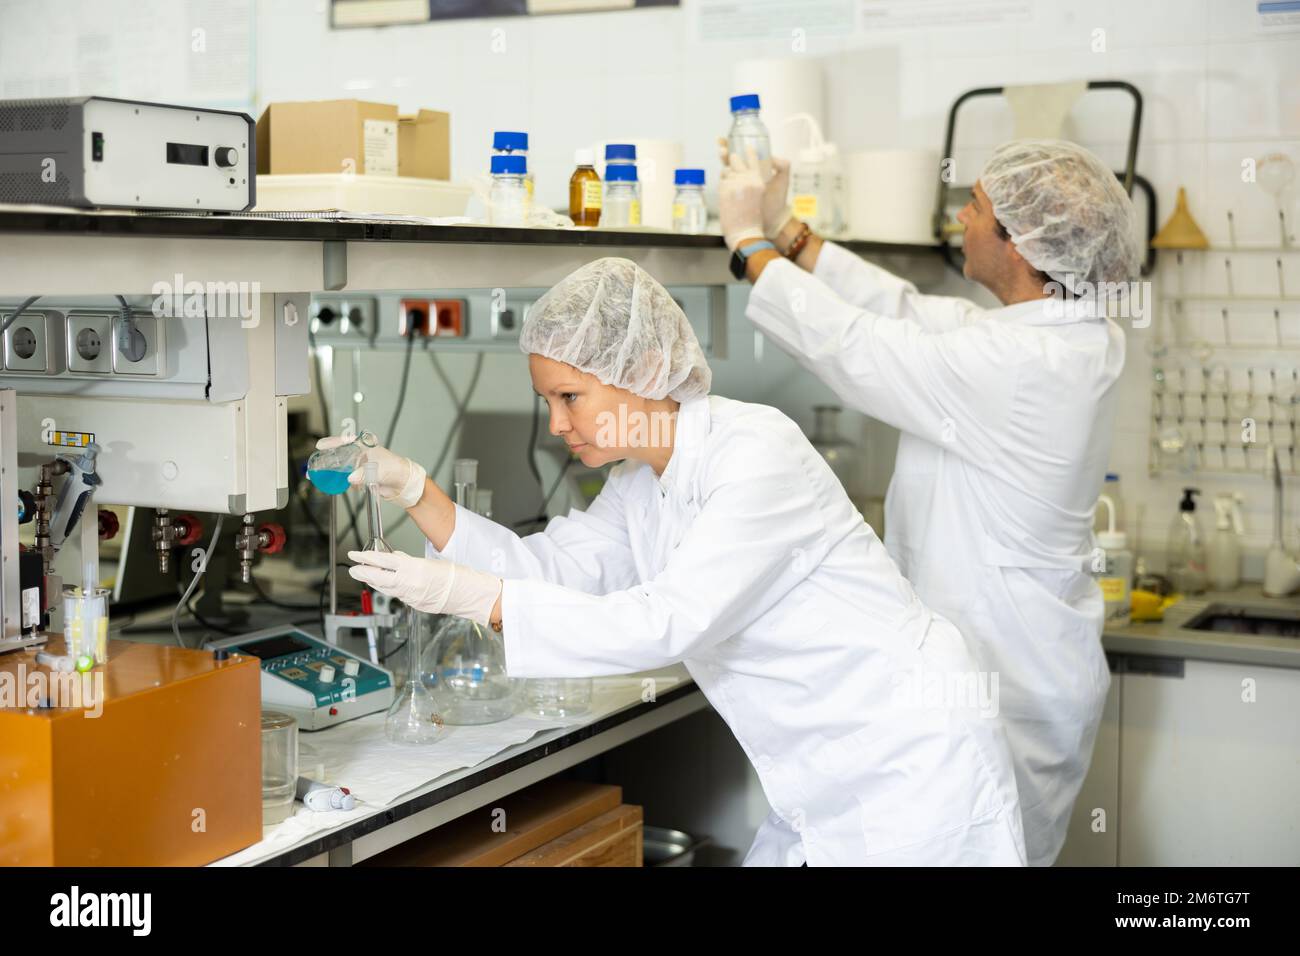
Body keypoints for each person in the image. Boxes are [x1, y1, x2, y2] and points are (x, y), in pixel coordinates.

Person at [330, 257, 1026, 866]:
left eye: (570, 397)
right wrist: (417, 493)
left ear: (641, 372)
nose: (557, 425)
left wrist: (474, 596)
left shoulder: (756, 452)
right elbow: (552, 570)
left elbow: (667, 622)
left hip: (909, 764)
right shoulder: (641, 482)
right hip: (828, 777)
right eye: (547, 401)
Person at [717, 139, 1140, 866]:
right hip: (1004, 665)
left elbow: (858, 346)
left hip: (1008, 683)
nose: (959, 220)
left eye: (975, 207)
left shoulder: (1020, 366)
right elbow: (906, 312)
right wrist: (790, 231)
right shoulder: (1062, 336)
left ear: (1022, 246)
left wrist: (746, 244)